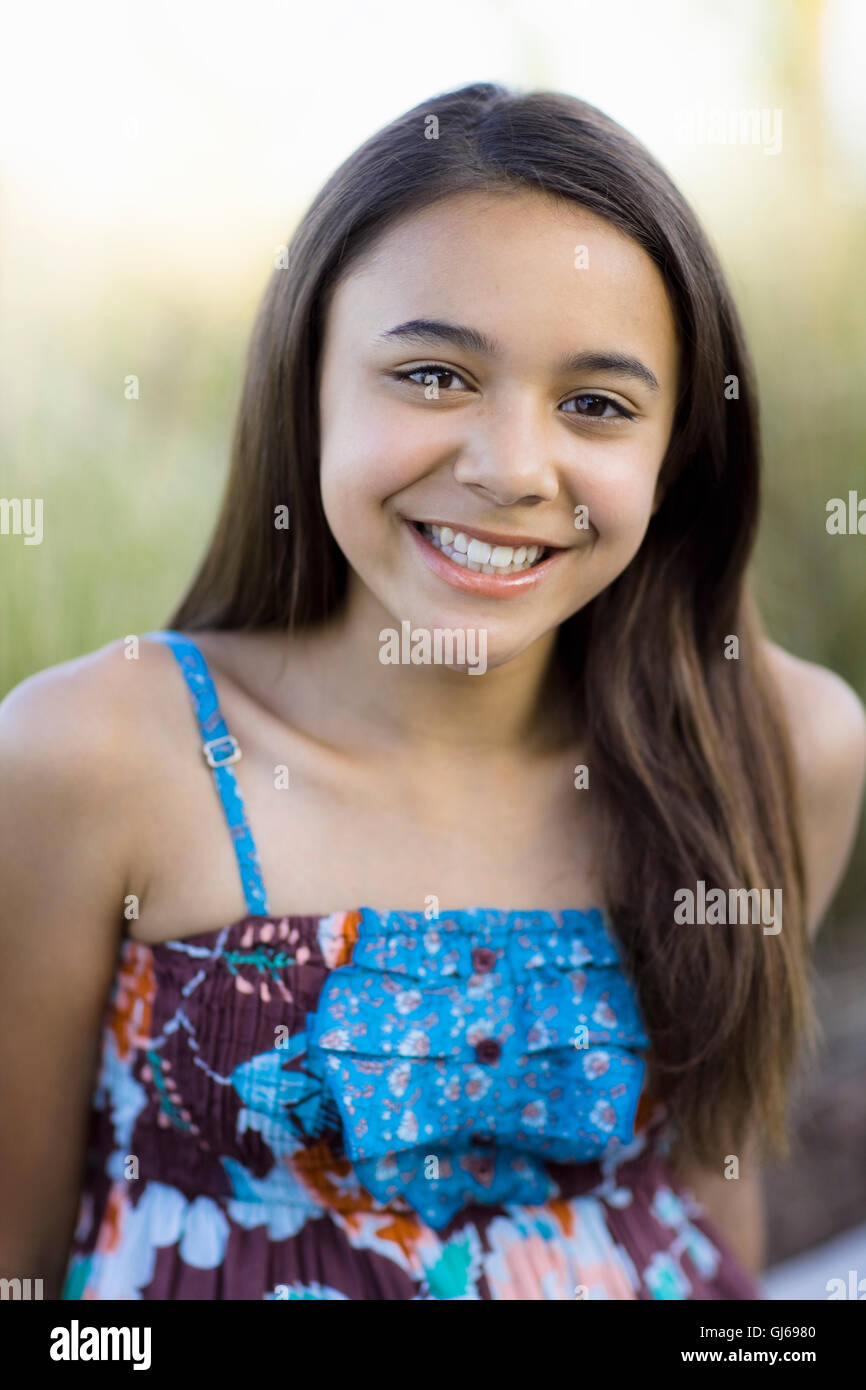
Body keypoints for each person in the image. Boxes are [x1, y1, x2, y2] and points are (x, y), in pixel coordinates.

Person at [1, 82, 864, 1301]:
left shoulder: (775, 743)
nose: (510, 468)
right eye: (431, 375)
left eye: (595, 405)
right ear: (307, 386)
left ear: (675, 459)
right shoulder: (91, 753)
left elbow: (707, 1208)